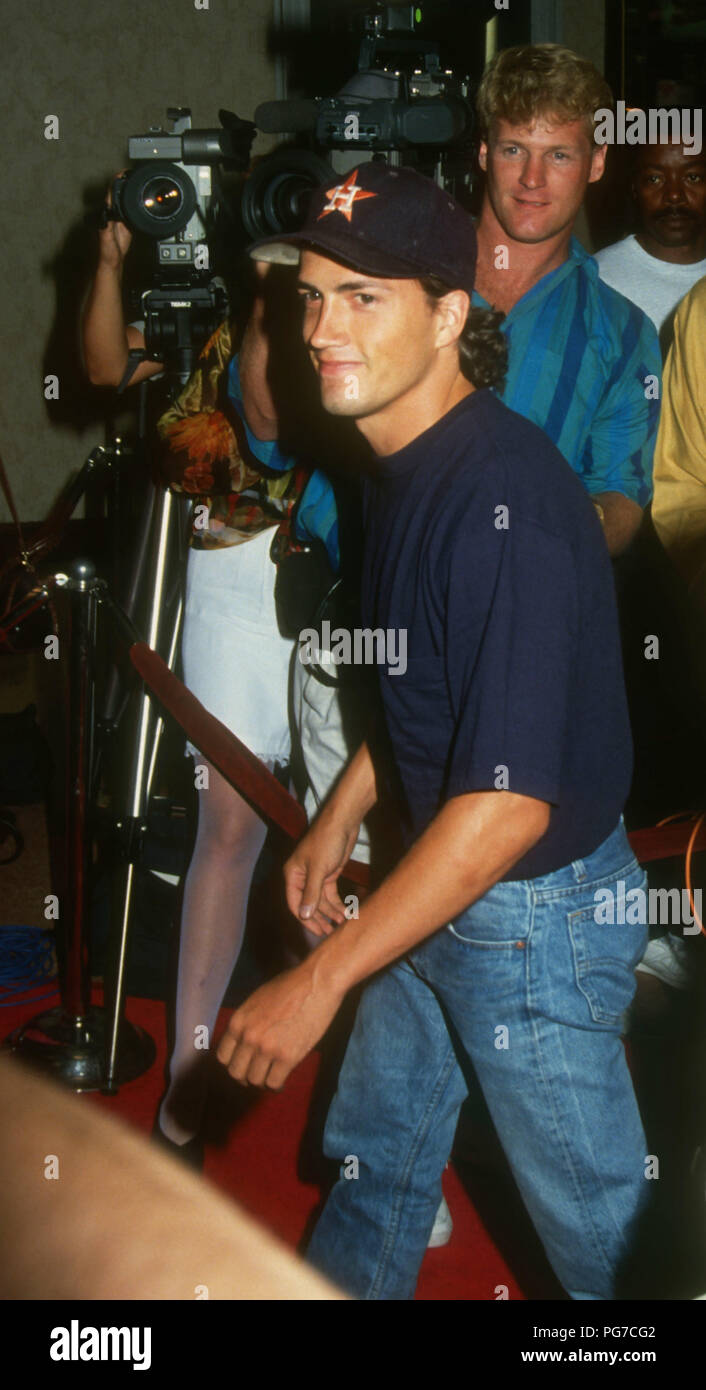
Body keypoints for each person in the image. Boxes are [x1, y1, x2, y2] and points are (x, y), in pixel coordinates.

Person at [216, 162, 651, 1301]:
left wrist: (320, 984)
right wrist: (340, 812)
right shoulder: (399, 458)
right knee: (375, 1169)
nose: (321, 328)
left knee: (613, 1256)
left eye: (364, 299)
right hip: (439, 877)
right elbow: (431, 681)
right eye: (310, 295)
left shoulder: (505, 504)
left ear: (450, 315)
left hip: (526, 926)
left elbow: (506, 805)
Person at [82, 190, 322, 1154]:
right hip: (231, 564)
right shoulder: (227, 314)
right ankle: (189, 1070)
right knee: (228, 822)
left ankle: (354, 1058)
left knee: (335, 825)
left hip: (347, 566)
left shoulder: (366, 304)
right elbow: (105, 370)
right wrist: (107, 262)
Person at [472, 44, 660, 555]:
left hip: (513, 608)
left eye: (558, 154)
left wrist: (550, 546)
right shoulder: (408, 272)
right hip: (355, 599)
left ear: (596, 162)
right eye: (514, 149)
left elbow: (620, 489)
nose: (532, 179)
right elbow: (267, 430)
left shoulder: (622, 333)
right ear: (485, 152)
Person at [595, 139, 706, 349]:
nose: (674, 195)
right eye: (654, 179)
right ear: (634, 188)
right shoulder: (599, 280)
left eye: (693, 177)